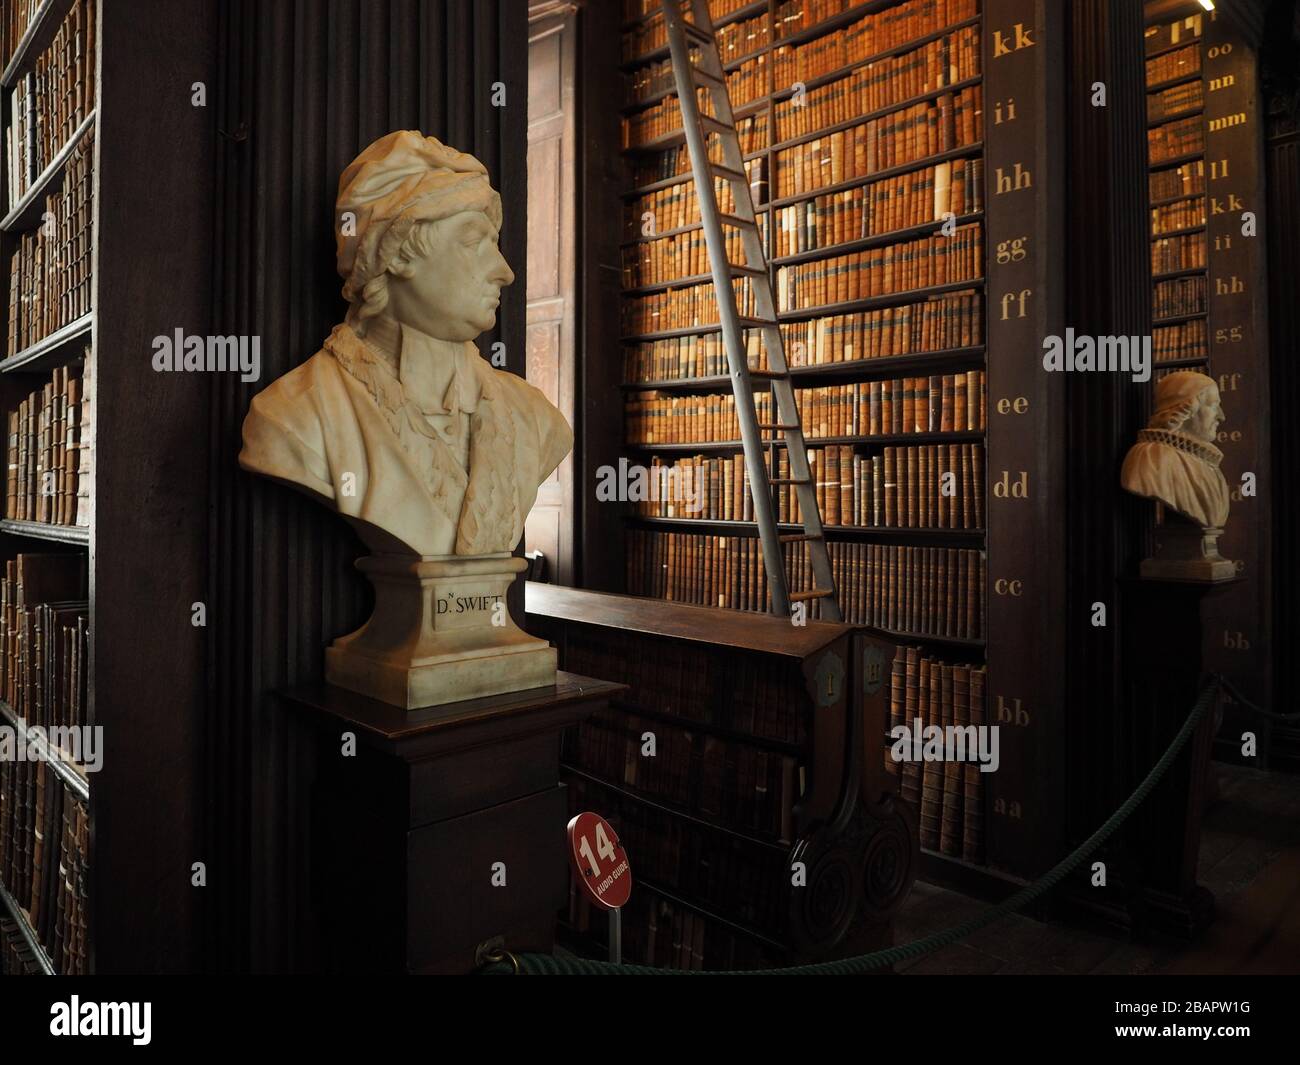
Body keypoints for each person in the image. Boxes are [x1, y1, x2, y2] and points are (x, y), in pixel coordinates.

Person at [239, 130, 572, 557]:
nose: (504, 271)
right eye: (475, 242)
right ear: (395, 254)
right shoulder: (292, 417)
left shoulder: (537, 420)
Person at [1120, 370, 1229, 529]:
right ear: (1185, 409)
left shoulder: (1207, 463)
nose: (1221, 416)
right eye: (1213, 405)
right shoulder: (1149, 458)